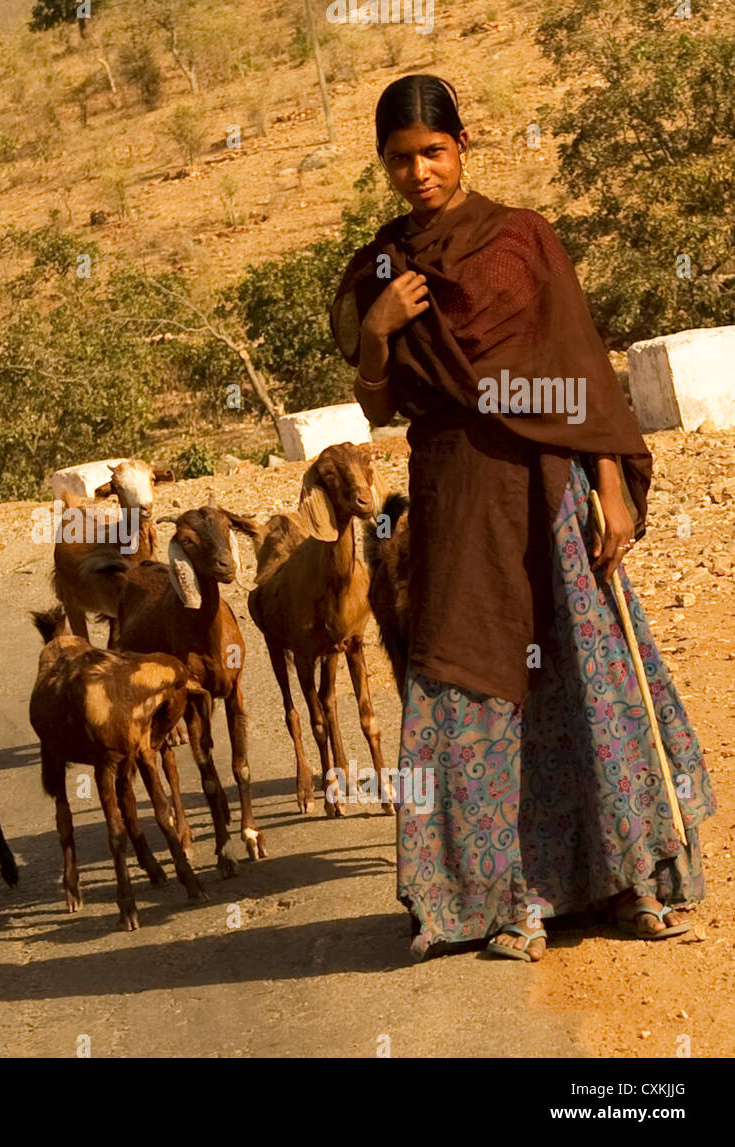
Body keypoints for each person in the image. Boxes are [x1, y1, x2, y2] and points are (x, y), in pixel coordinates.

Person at [328, 74, 715, 962]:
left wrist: (612, 486)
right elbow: (377, 405)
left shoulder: (521, 237)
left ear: (464, 143)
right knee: (472, 677)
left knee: (586, 665)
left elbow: (580, 364)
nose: (418, 172)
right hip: (458, 490)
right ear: (382, 166)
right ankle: (498, 900)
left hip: (550, 482)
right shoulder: (381, 268)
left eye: (432, 151)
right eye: (399, 159)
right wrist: (382, 328)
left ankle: (630, 876)